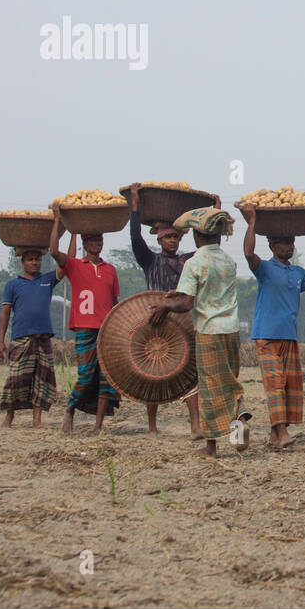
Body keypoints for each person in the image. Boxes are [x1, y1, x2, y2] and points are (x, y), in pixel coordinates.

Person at [149, 207, 248, 457]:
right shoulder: (228, 260)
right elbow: (209, 291)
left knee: (210, 386)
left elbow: (187, 303)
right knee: (229, 381)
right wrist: (178, 296)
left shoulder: (195, 262)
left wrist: (167, 305)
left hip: (208, 331)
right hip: (231, 330)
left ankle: (211, 446)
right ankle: (238, 433)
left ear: (197, 236)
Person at [241, 204, 305, 449]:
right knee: (275, 383)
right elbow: (248, 253)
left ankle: (275, 436)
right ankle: (282, 432)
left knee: (288, 386)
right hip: (266, 336)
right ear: (273, 246)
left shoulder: (298, 273)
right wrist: (252, 221)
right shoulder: (264, 268)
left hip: (289, 336)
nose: (290, 246)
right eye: (285, 243)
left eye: (292, 242)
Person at [129, 183, 203, 437]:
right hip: (156, 322)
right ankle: (152, 425)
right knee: (153, 373)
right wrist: (135, 206)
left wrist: (213, 212)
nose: (172, 241)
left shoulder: (187, 261)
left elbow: (206, 247)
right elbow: (136, 239)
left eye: (176, 237)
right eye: (168, 237)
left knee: (189, 373)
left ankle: (195, 424)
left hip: (181, 321)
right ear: (160, 239)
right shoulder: (151, 261)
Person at [49, 206, 121, 434]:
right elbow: (53, 251)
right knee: (85, 374)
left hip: (106, 330)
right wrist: (60, 220)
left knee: (106, 379)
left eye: (100, 239)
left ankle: (98, 425)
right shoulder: (74, 266)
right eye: (93, 240)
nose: (97, 243)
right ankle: (70, 409)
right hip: (85, 328)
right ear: (85, 243)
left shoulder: (110, 269)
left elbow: (115, 301)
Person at [0, 249, 63, 427]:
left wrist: (71, 232)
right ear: (23, 262)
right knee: (16, 378)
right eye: (30, 260)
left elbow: (65, 264)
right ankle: (9, 417)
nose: (34, 263)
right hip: (21, 337)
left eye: (37, 259)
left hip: (43, 337)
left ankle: (37, 420)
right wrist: (0, 340)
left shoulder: (47, 280)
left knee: (42, 378)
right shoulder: (12, 285)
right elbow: (5, 313)